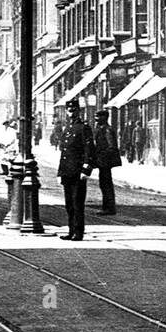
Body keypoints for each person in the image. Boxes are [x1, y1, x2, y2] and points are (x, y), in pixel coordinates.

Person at [57, 102, 95, 241]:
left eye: (74, 110)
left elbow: (89, 150)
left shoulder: (84, 128)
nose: (71, 112)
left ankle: (78, 233)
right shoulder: (67, 128)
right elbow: (64, 153)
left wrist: (86, 168)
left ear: (78, 111)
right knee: (69, 204)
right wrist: (60, 172)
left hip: (78, 172)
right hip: (67, 171)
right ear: (67, 111)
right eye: (69, 110)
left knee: (77, 203)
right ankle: (71, 230)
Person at [93, 108, 121, 215]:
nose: (96, 119)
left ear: (104, 118)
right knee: (104, 183)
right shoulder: (101, 128)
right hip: (103, 162)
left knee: (106, 184)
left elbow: (112, 147)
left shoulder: (107, 130)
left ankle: (109, 208)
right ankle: (107, 207)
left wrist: (101, 156)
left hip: (105, 162)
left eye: (98, 117)